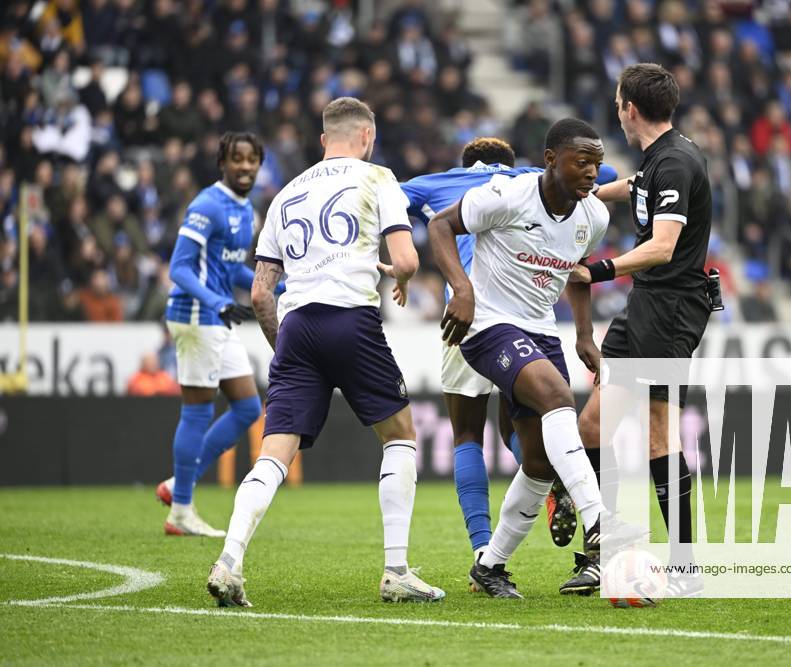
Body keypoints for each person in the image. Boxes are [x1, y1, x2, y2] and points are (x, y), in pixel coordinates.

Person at [207, 97, 445, 607]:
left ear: (323, 140)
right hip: (350, 319)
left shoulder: (285, 194)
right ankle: (396, 572)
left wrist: (285, 351)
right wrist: (401, 276)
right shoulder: (377, 178)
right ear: (367, 137)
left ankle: (229, 561)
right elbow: (406, 259)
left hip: (296, 326)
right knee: (400, 436)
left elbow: (260, 293)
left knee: (273, 454)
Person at [428, 118, 644, 598]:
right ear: (550, 159)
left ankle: (490, 565)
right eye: (581, 161)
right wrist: (461, 289)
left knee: (541, 463)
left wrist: (584, 334)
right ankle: (600, 523)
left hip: (541, 330)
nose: (591, 173)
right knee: (556, 396)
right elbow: (439, 225)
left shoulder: (594, 216)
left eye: (597, 164)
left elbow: (577, 271)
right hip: (487, 325)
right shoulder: (507, 195)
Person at [566, 63, 716, 598]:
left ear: (630, 108)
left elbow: (664, 246)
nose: (616, 111)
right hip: (645, 304)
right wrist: (586, 195)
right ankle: (603, 550)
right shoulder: (660, 158)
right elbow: (636, 186)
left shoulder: (674, 161)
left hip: (671, 308)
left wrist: (599, 270)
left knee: (658, 433)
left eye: (617, 103)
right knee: (591, 426)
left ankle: (686, 569)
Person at [157, 132, 272, 538]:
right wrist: (217, 301)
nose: (245, 166)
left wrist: (274, 284)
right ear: (222, 162)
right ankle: (180, 511)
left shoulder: (246, 209)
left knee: (247, 408)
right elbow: (179, 268)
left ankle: (178, 484)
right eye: (237, 158)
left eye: (252, 159)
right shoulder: (207, 205)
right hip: (195, 314)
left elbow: (230, 268)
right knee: (198, 411)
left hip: (216, 316)